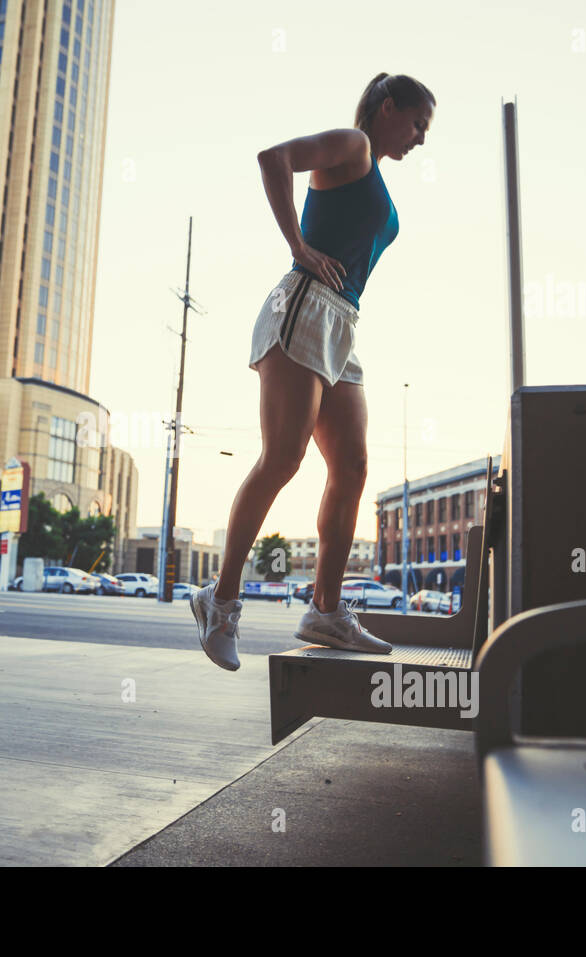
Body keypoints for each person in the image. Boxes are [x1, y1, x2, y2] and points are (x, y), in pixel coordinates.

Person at [191, 73, 436, 672]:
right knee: (283, 458)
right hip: (303, 303)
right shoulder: (352, 145)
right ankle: (219, 601)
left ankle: (325, 610)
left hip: (343, 321)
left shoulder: (369, 168)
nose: (421, 139)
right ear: (387, 108)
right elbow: (273, 159)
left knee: (351, 467)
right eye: (417, 124)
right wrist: (298, 245)